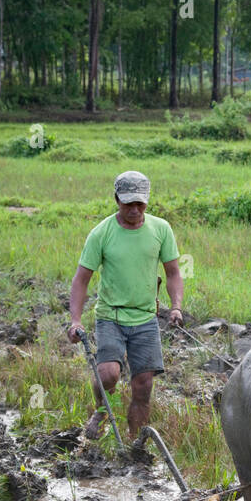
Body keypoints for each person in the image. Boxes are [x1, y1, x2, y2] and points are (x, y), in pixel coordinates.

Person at [67, 170, 184, 440]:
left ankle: (135, 443)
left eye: (140, 203)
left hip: (145, 318)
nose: (134, 209)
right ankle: (101, 410)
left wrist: (176, 306)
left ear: (147, 201)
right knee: (109, 374)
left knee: (143, 386)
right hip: (111, 316)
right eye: (128, 203)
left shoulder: (161, 229)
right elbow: (81, 279)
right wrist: (75, 320)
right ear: (116, 199)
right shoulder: (102, 233)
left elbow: (173, 273)